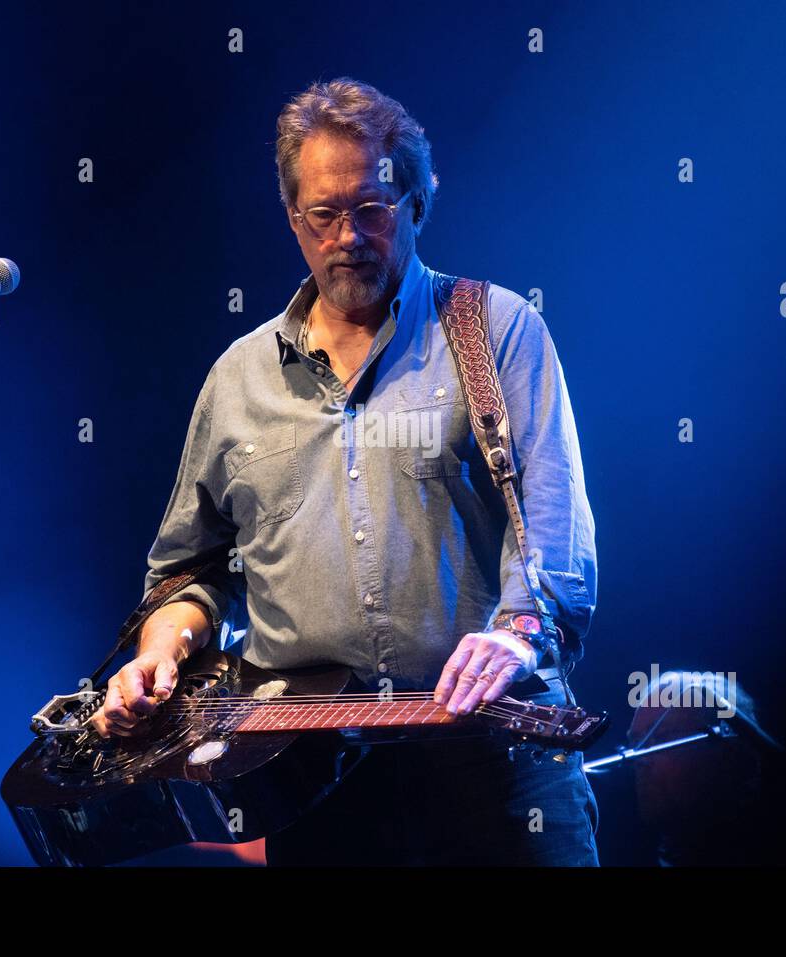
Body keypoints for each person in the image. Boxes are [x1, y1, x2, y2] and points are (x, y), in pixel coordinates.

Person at [92, 77, 599, 865]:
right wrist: (161, 647)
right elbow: (189, 573)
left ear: (417, 204)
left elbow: (556, 527)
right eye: (323, 215)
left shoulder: (496, 329)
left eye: (372, 207)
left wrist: (519, 633)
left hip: (494, 763)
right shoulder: (238, 378)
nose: (348, 237)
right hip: (313, 785)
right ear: (294, 220)